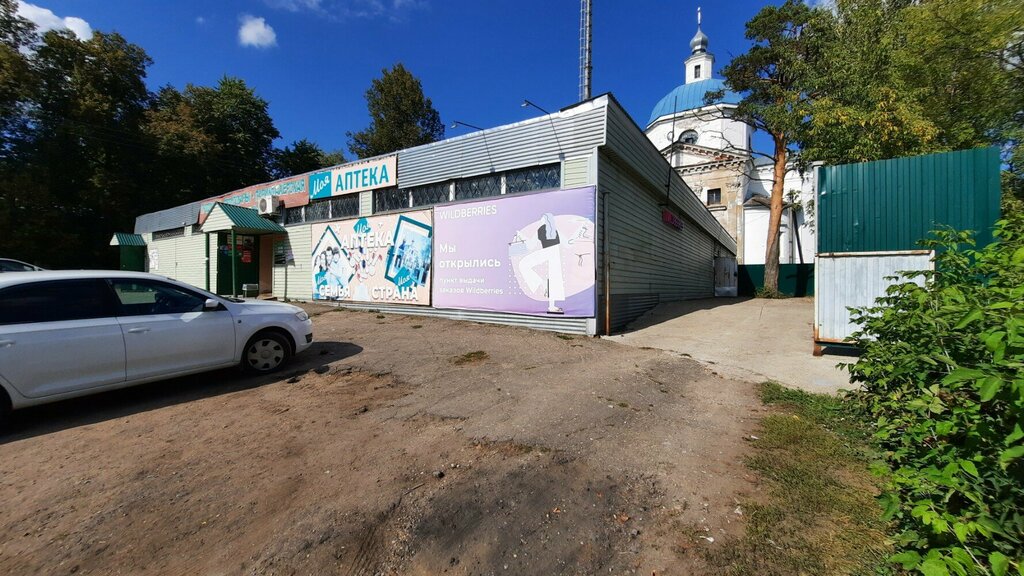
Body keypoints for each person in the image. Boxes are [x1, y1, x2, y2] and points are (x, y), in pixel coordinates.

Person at [517, 213, 565, 314]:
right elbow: (568, 244)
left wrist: (522, 237)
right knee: (554, 279)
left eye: (542, 219)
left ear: (545, 220)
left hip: (548, 252)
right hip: (554, 253)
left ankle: (542, 284)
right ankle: (551, 306)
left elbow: (530, 246)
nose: (540, 220)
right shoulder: (556, 230)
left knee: (523, 264)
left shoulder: (541, 229)